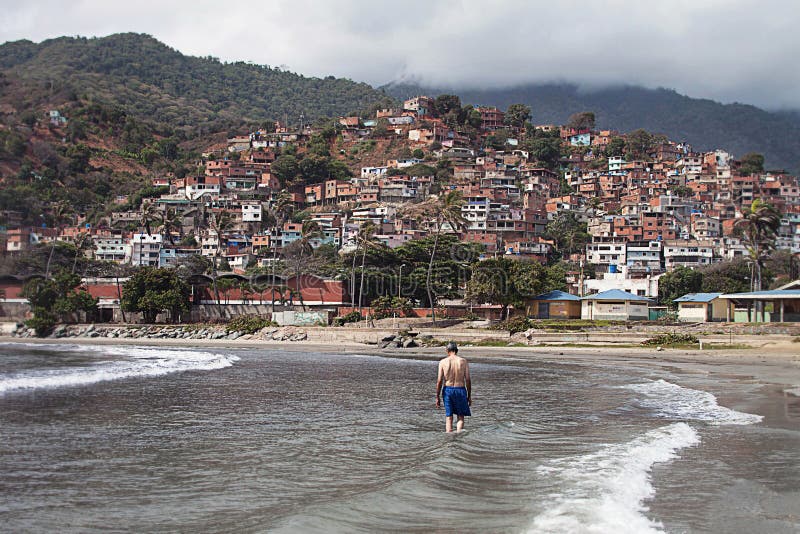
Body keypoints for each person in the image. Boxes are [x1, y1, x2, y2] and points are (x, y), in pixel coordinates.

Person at [435, 341, 471, 432]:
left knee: (449, 416)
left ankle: (449, 439)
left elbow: (439, 380)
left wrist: (437, 396)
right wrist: (469, 396)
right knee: (460, 416)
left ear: (447, 350)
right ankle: (459, 436)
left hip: (448, 390)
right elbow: (467, 379)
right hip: (460, 389)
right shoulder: (463, 361)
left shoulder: (443, 362)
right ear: (456, 350)